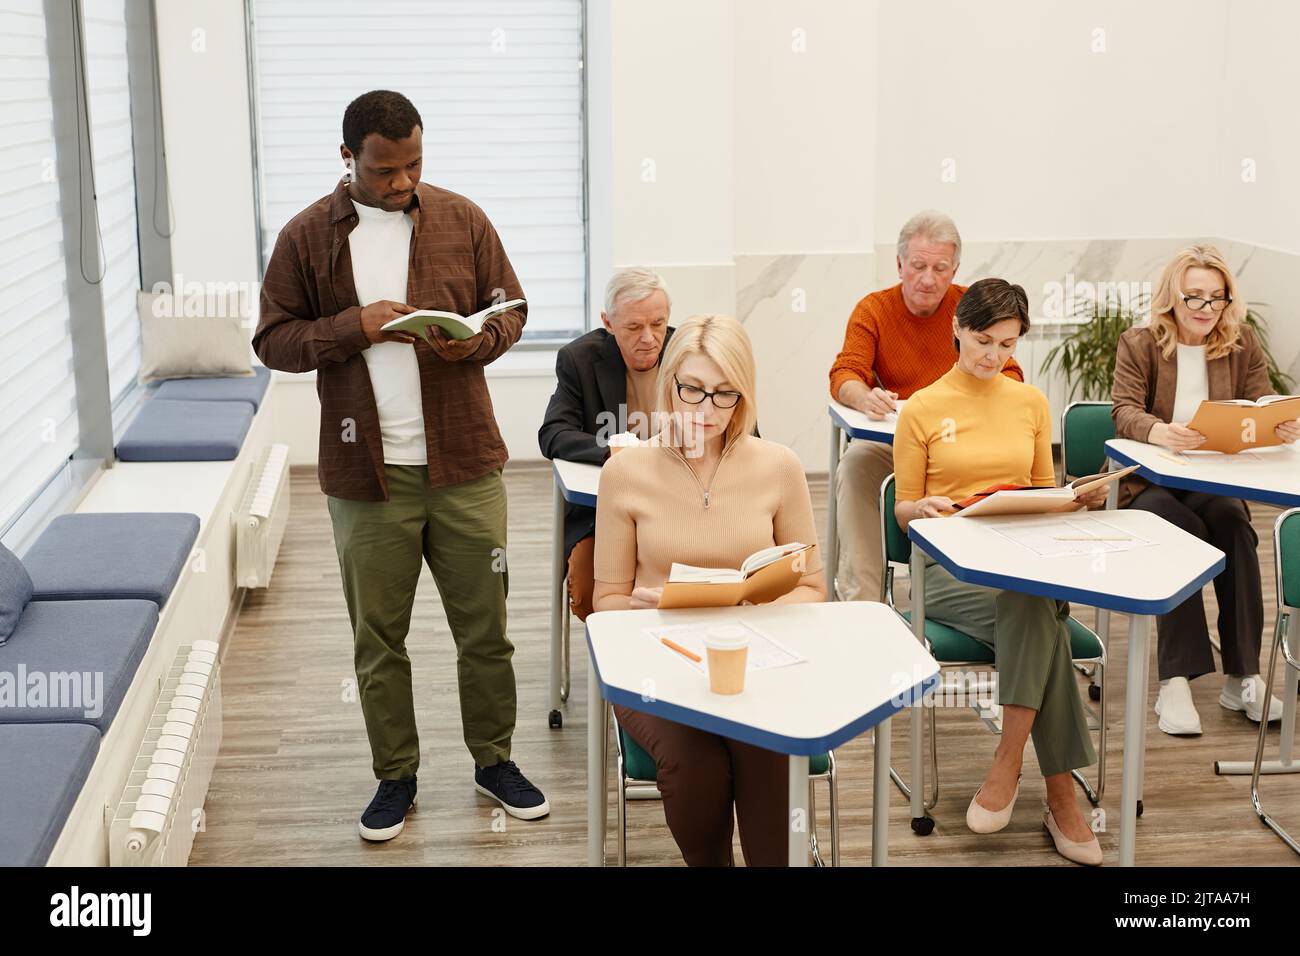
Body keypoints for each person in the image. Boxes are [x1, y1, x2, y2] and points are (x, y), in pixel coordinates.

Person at [252, 89, 548, 842]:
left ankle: (494, 762)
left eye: (414, 163)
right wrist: (353, 327)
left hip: (466, 466)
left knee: (485, 630)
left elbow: (510, 308)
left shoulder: (463, 219)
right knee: (377, 638)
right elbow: (273, 341)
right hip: (365, 474)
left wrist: (473, 342)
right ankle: (396, 777)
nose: (403, 181)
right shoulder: (305, 237)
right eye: (386, 169)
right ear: (348, 158)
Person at [592, 314, 827, 866]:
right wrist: (648, 612)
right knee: (695, 766)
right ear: (669, 381)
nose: (704, 411)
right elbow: (605, 602)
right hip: (657, 660)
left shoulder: (780, 468)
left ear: (743, 397)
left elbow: (813, 586)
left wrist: (738, 603)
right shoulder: (625, 474)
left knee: (770, 749)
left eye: (724, 395)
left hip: (754, 658)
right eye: (692, 389)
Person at [893, 278, 1107, 866]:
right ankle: (1060, 796)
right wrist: (922, 509)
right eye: (983, 340)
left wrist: (1071, 499)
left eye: (1008, 345)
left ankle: (1007, 761)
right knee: (1042, 619)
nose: (994, 356)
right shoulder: (923, 408)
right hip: (946, 569)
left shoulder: (1031, 403)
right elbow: (903, 510)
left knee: (1028, 597)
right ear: (957, 330)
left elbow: (1040, 493)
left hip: (1019, 562)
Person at [1112, 244, 1296, 736]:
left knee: (1235, 525)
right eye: (1194, 297)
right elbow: (1123, 410)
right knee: (1179, 528)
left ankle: (1244, 677)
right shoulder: (1140, 342)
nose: (1205, 310)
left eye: (1216, 299)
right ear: (1172, 297)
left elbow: (1260, 403)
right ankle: (1175, 679)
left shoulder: (1241, 342)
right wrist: (1158, 431)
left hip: (1214, 475)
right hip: (1152, 480)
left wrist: (1277, 424)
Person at [829, 210, 1023, 601]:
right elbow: (844, 373)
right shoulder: (874, 309)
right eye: (918, 266)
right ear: (899, 265)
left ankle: (975, 587)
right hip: (893, 441)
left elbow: (1013, 374)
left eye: (940, 267)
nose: (928, 278)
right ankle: (863, 599)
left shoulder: (970, 307)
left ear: (954, 269)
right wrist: (864, 396)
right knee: (855, 464)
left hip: (961, 441)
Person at [537, 267, 675, 622]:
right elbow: (553, 433)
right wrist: (613, 451)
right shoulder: (579, 359)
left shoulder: (689, 351)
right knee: (588, 594)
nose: (649, 338)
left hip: (683, 506)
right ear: (608, 323)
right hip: (605, 512)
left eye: (658, 324)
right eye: (633, 327)